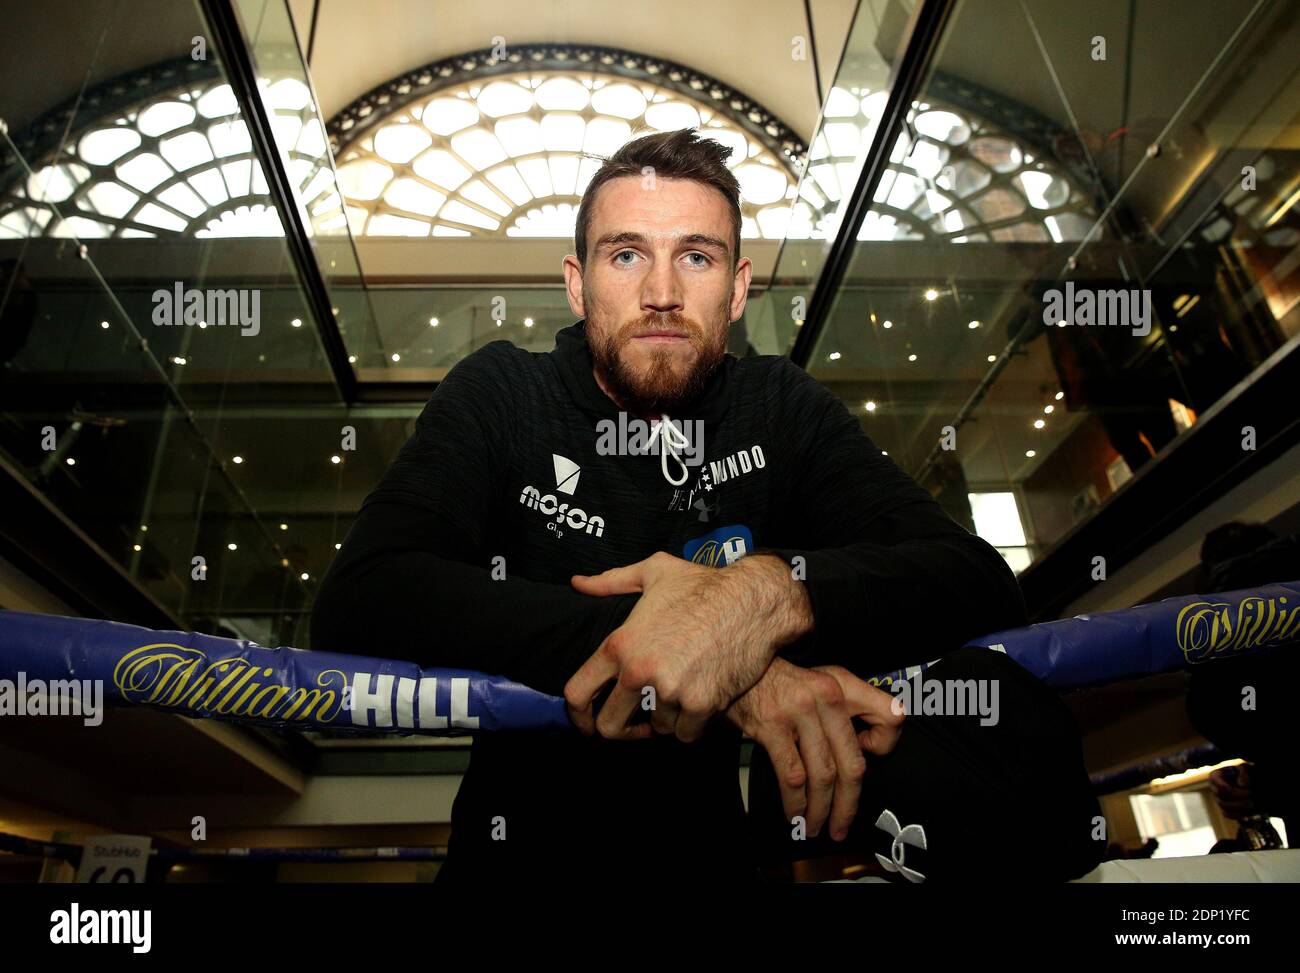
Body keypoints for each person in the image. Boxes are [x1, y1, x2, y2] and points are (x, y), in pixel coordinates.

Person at [311, 128, 1102, 884]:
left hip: (716, 867)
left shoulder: (777, 407)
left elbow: (974, 578)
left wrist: (763, 597)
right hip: (508, 869)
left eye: (696, 256)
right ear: (578, 283)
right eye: (626, 255)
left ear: (737, 289)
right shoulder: (504, 393)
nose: (661, 293)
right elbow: (363, 598)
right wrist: (721, 660)